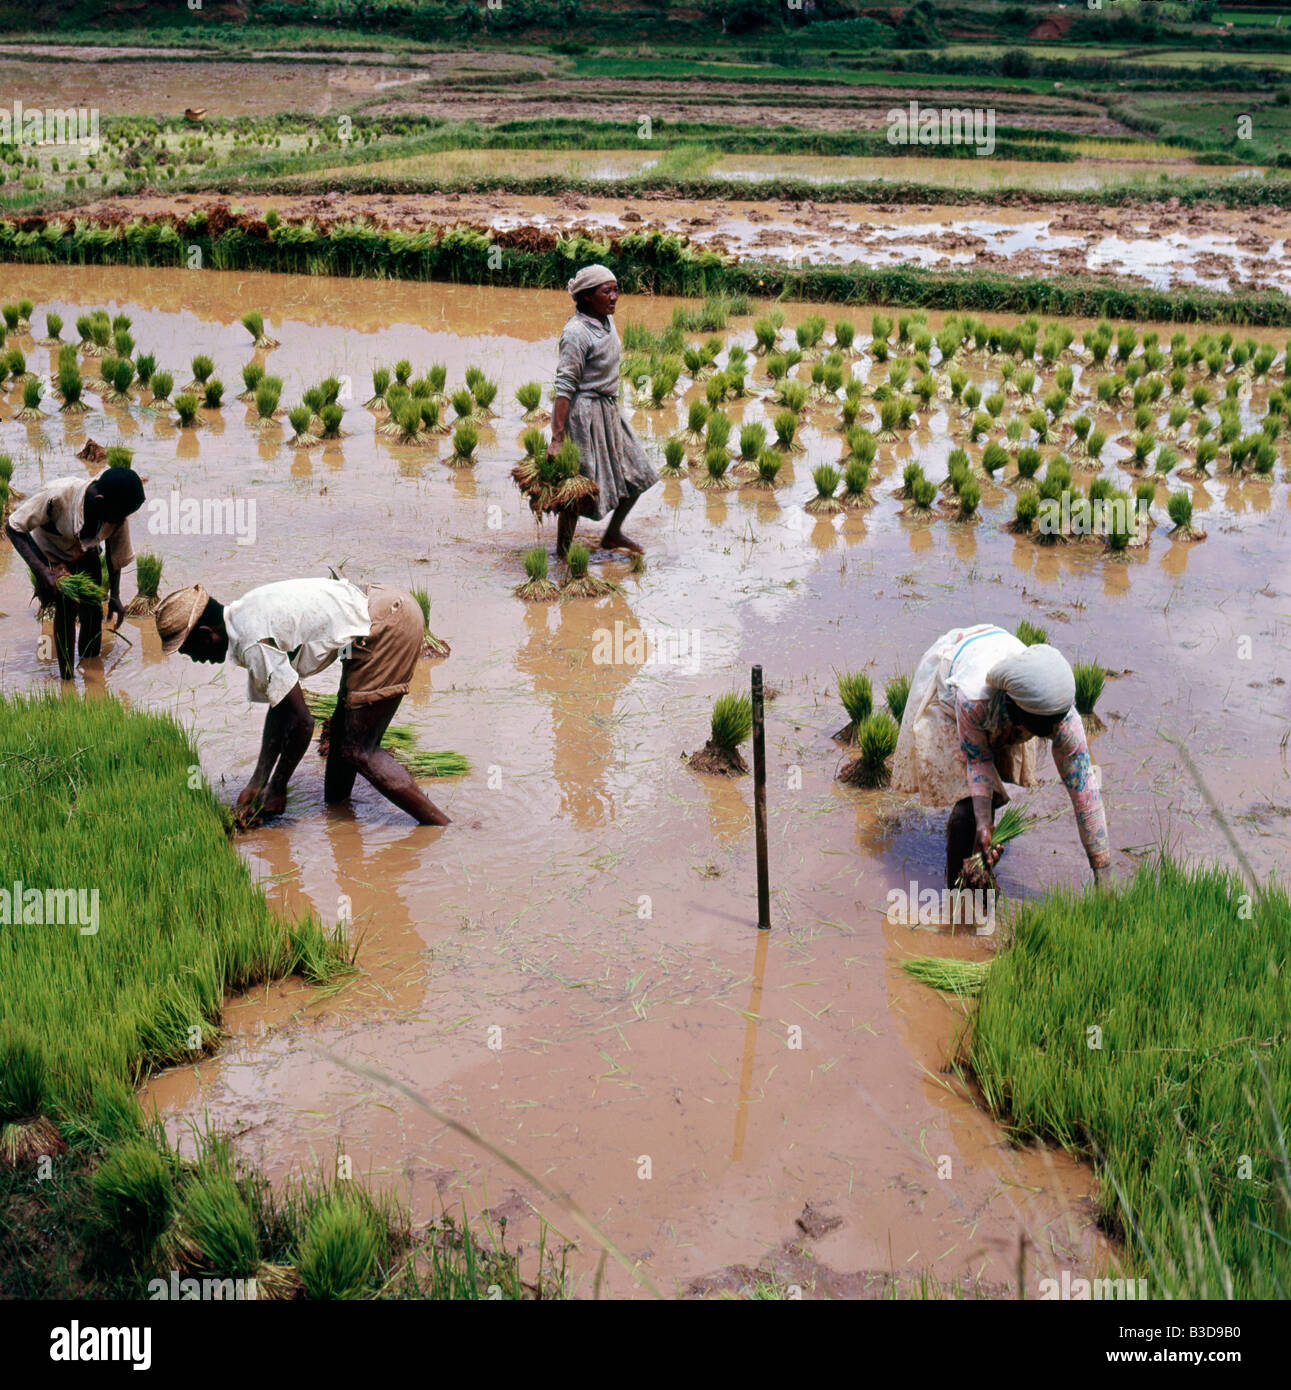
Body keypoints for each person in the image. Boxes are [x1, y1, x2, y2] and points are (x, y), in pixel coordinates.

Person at [155, 575, 451, 829]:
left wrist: (278, 786)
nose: (195, 660)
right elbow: (281, 708)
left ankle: (444, 828)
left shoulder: (251, 641)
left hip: (385, 624)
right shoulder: (242, 616)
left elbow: (301, 723)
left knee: (358, 750)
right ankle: (341, 820)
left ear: (207, 635)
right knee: (342, 748)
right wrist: (258, 783)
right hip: (376, 610)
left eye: (188, 651)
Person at [891, 622, 1112, 890]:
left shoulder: (1062, 717)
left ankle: (979, 868)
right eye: (1040, 728)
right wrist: (983, 824)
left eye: (1053, 726)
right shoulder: (974, 700)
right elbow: (978, 760)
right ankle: (959, 892)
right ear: (1015, 709)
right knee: (966, 813)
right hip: (952, 687)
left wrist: (1104, 878)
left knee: (985, 805)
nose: (1051, 733)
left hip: (998, 660)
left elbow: (1085, 794)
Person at [549, 264, 658, 559]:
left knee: (639, 474)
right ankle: (562, 553)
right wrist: (557, 439)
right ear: (586, 296)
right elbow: (564, 386)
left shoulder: (606, 322)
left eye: (615, 289)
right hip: (583, 416)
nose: (614, 297)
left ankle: (612, 534)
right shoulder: (576, 332)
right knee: (579, 488)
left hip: (609, 410)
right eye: (606, 291)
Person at [5, 466, 145, 680]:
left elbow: (115, 554)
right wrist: (44, 572)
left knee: (94, 608)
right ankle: (67, 678)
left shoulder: (117, 511)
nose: (120, 521)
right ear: (100, 501)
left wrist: (115, 596)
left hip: (85, 549)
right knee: (66, 610)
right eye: (117, 516)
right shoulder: (58, 496)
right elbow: (13, 526)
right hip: (52, 555)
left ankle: (92, 669)